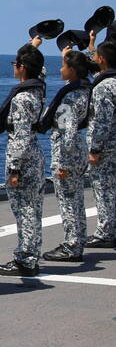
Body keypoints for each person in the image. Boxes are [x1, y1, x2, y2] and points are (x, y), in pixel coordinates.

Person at [0, 44, 47, 275]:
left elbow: (20, 137)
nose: (14, 68)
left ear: (22, 68)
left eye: (16, 64)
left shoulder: (22, 98)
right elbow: (39, 71)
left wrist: (14, 169)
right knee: (32, 208)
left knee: (25, 210)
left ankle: (26, 259)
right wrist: (33, 47)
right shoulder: (38, 90)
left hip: (23, 159)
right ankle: (30, 255)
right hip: (35, 154)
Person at [38, 47, 93, 261]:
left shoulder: (68, 99)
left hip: (67, 153)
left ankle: (71, 246)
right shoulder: (83, 90)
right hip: (79, 149)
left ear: (72, 70)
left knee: (68, 201)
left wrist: (62, 163)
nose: (60, 70)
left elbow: (67, 133)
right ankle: (78, 240)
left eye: (63, 66)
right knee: (77, 199)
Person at [87, 41, 116, 249]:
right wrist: (91, 45)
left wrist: (95, 148)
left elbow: (102, 121)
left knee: (103, 188)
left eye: (96, 55)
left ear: (102, 60)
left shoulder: (104, 86)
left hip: (106, 147)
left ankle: (105, 232)